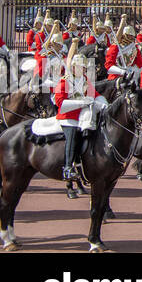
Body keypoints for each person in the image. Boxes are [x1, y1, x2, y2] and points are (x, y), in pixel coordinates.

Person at [55, 38, 96, 184]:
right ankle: (67, 167)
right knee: (72, 137)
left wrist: (103, 104)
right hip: (68, 117)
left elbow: (94, 95)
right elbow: (60, 103)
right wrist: (81, 102)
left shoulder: (84, 80)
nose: (83, 70)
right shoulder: (65, 81)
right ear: (73, 68)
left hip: (82, 117)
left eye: (84, 68)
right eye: (80, 67)